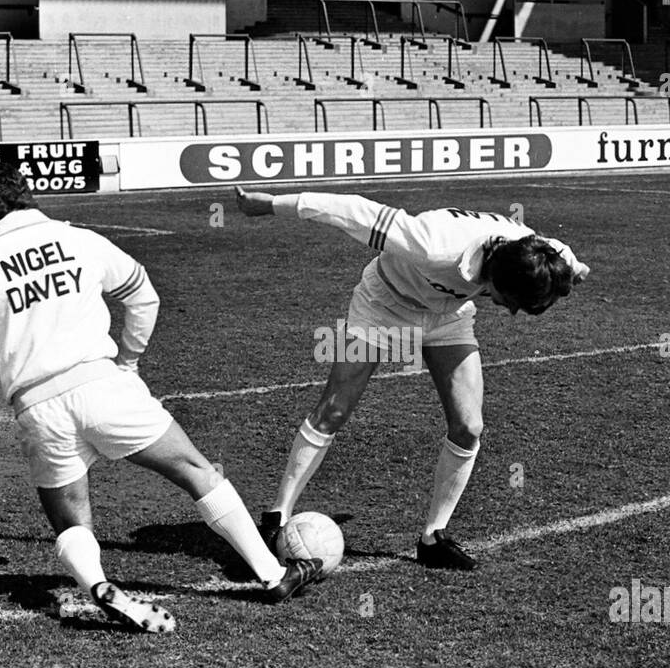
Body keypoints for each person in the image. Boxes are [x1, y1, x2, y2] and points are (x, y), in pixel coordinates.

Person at [0, 164, 321, 633]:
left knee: (71, 520)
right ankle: (274, 575)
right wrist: (130, 361)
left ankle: (98, 587)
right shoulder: (80, 239)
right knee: (197, 472)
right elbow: (143, 296)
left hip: (38, 405)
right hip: (102, 384)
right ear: (26, 194)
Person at [235, 186, 589, 571]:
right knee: (334, 409)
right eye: (512, 302)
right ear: (496, 276)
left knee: (469, 426)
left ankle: (433, 538)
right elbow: (352, 211)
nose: (513, 313)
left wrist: (574, 270)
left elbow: (561, 256)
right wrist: (269, 205)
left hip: (448, 317)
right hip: (383, 304)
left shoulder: (535, 252)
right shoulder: (430, 242)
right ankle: (277, 517)